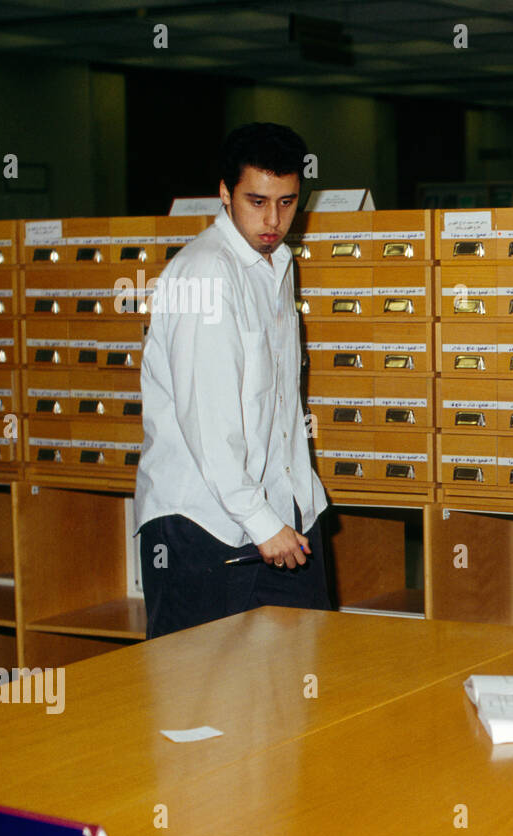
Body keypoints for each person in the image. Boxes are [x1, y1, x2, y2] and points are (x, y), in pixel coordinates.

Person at [135, 122, 330, 638]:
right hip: (206, 528)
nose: (272, 220)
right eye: (256, 201)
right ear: (224, 193)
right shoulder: (205, 274)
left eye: (287, 202)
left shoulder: (274, 265)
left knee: (300, 692)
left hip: (277, 519)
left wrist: (295, 510)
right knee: (201, 706)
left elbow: (280, 407)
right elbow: (208, 419)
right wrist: (264, 524)